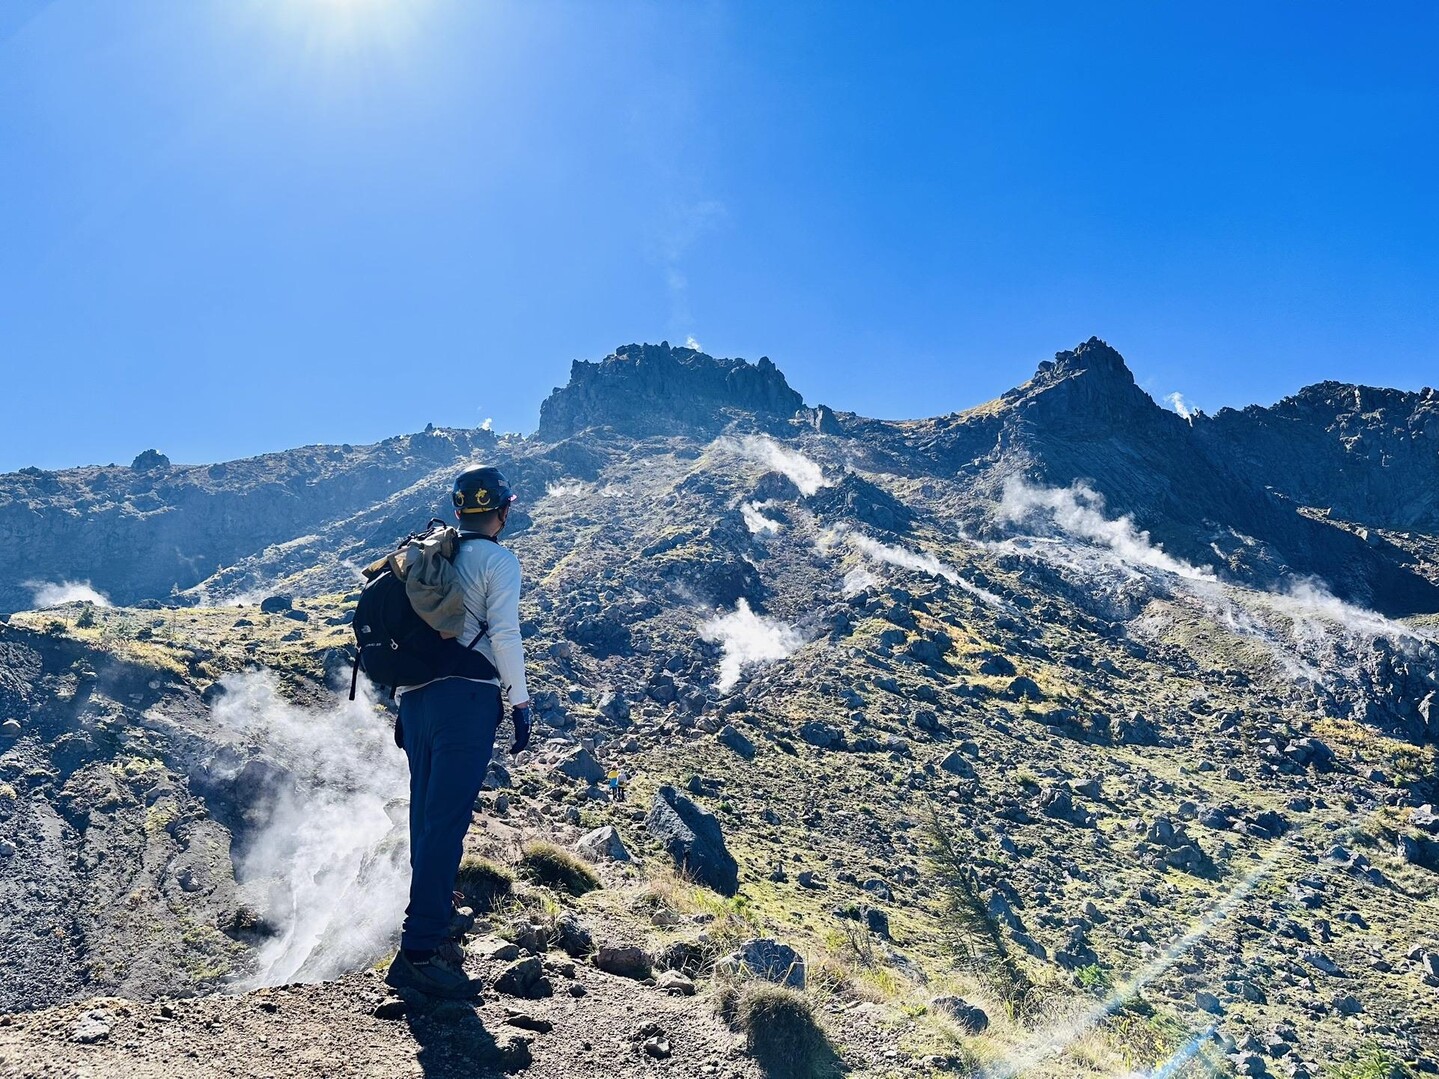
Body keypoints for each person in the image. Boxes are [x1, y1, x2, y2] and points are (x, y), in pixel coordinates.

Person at [384, 466, 533, 999]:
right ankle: (419, 954)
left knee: (424, 818)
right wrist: (519, 703)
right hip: (465, 700)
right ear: (503, 510)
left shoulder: (432, 555)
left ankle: (431, 929)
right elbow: (506, 634)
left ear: (457, 510)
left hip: (416, 700)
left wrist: (404, 704)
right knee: (446, 823)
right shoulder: (499, 560)